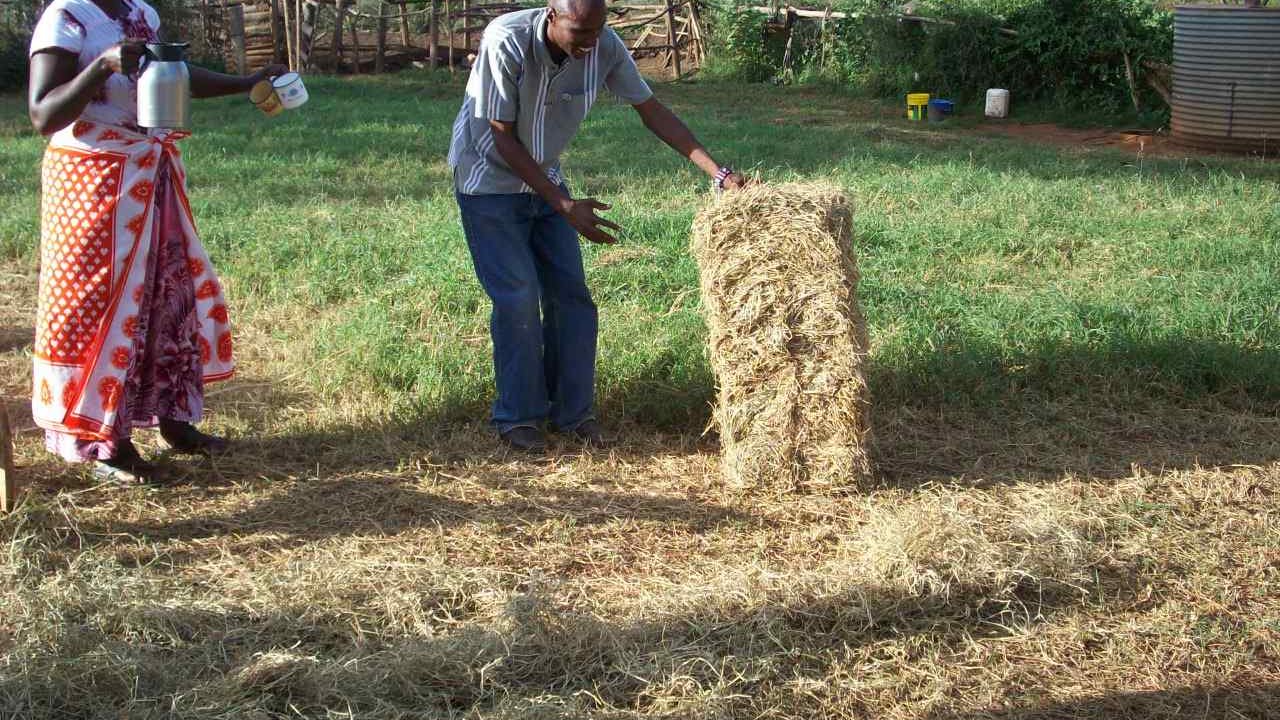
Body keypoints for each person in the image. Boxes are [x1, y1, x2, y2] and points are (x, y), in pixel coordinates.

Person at [449, 0, 747, 453]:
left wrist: (719, 174)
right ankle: (519, 417)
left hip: (545, 177)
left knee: (571, 295)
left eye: (597, 30)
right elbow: (501, 136)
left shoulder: (603, 45)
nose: (590, 43)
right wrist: (564, 204)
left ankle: (573, 415)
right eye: (579, 32)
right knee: (518, 297)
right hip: (486, 179)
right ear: (552, 15)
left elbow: (651, 111)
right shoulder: (506, 39)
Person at [26, 0, 286, 483]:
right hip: (91, 179)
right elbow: (43, 114)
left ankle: (175, 419)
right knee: (96, 307)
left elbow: (175, 74)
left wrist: (244, 82)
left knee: (166, 293)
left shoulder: (140, 12)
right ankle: (102, 440)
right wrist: (100, 67)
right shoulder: (67, 18)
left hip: (149, 167)